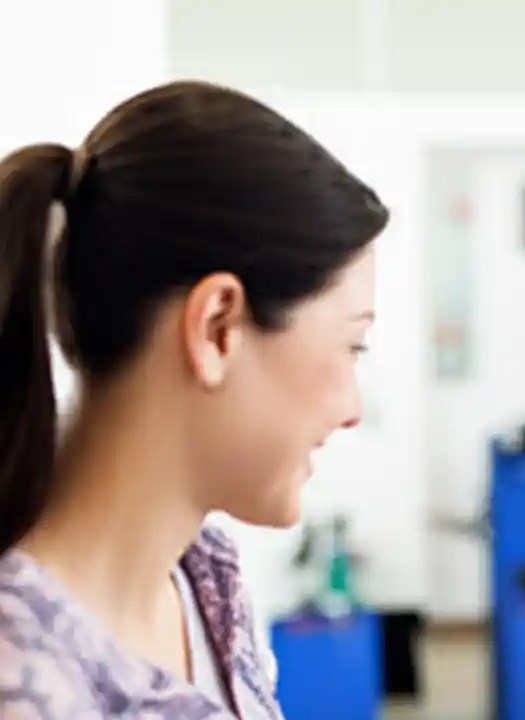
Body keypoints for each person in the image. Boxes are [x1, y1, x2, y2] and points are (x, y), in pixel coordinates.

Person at [0, 81, 387, 718]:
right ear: (217, 328)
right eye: (353, 346)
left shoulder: (204, 579)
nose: (353, 408)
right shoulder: (26, 684)